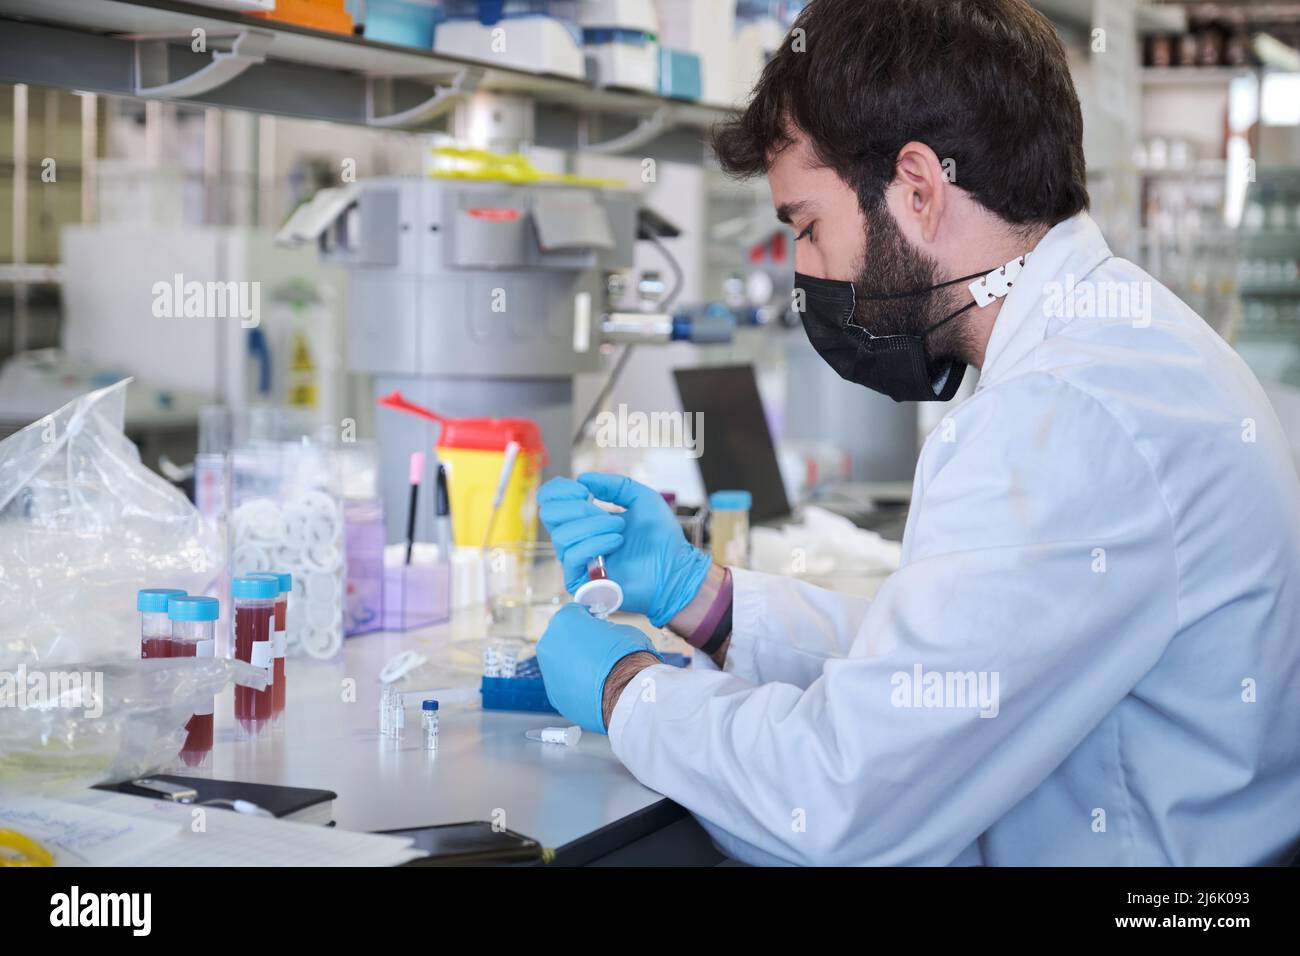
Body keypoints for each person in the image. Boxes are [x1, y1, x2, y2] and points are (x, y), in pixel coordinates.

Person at [534, 0, 1300, 865]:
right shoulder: (1115, 341)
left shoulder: (1060, 416)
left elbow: (838, 801)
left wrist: (627, 690)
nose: (805, 273)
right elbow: (942, 668)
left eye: (810, 226)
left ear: (919, 189)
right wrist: (705, 601)